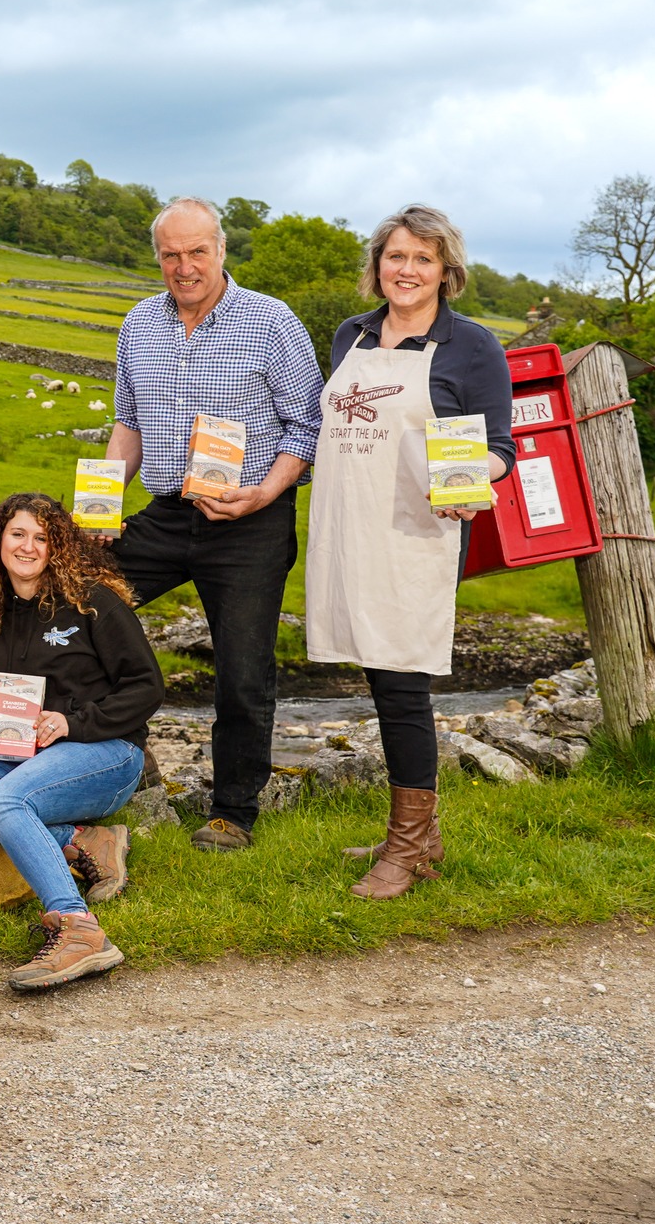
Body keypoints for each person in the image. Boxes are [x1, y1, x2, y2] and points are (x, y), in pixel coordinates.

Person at [104, 196, 325, 853]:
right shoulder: (139, 324)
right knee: (79, 598)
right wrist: (98, 506)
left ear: (221, 251)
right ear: (158, 259)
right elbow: (129, 423)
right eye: (171, 254)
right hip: (170, 512)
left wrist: (264, 494)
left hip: (250, 520)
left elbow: (306, 426)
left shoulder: (271, 321)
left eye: (197, 251)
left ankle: (233, 812)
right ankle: (108, 760)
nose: (184, 266)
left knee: (243, 669)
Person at [309, 205, 515, 900]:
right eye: (396, 256)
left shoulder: (473, 347)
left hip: (416, 533)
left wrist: (471, 480)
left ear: (446, 271)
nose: (407, 270)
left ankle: (409, 846)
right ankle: (417, 831)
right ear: (378, 266)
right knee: (379, 675)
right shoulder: (351, 335)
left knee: (401, 684)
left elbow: (499, 450)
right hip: (351, 528)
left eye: (423, 259)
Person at [0, 494, 164, 992]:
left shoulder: (94, 601)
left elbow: (147, 686)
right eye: (18, 534)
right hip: (28, 753)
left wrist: (74, 722)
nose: (28, 546)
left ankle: (78, 928)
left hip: (107, 751)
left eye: (42, 537)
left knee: (7, 798)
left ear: (58, 547)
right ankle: (83, 841)